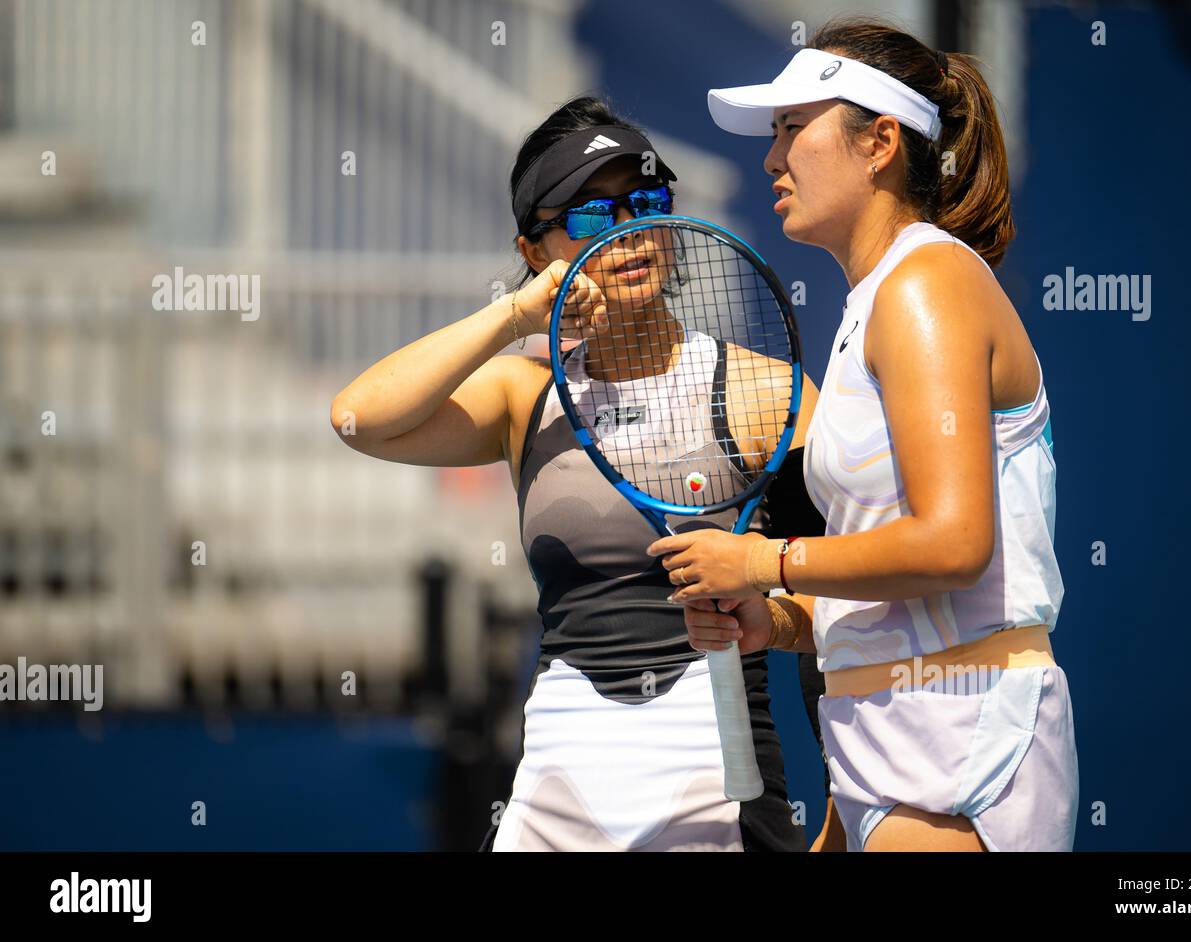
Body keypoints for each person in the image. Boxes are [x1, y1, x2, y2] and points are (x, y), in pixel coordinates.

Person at [331, 96, 818, 851]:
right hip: (563, 768)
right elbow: (356, 417)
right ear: (535, 251)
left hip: (717, 765)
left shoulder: (761, 392)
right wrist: (511, 319)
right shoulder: (524, 394)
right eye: (591, 215)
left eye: (645, 202)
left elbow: (842, 603)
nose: (625, 231)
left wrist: (775, 615)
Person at [650, 17, 1079, 852]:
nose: (771, 160)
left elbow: (954, 546)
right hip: (884, 756)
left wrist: (761, 561)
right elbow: (890, 577)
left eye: (791, 130)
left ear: (880, 142)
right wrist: (782, 622)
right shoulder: (879, 302)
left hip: (958, 753)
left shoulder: (925, 283)